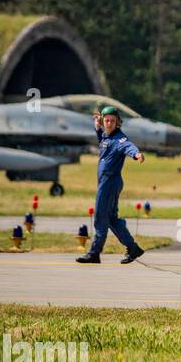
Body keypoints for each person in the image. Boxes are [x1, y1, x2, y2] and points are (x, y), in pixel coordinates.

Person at [76, 105, 146, 265]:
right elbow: (102, 138)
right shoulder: (106, 136)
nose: (109, 123)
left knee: (101, 217)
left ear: (117, 123)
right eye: (106, 120)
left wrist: (137, 154)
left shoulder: (119, 139)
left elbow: (128, 146)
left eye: (113, 121)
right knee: (112, 219)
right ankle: (133, 248)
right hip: (107, 183)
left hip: (109, 183)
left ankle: (94, 253)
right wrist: (97, 126)